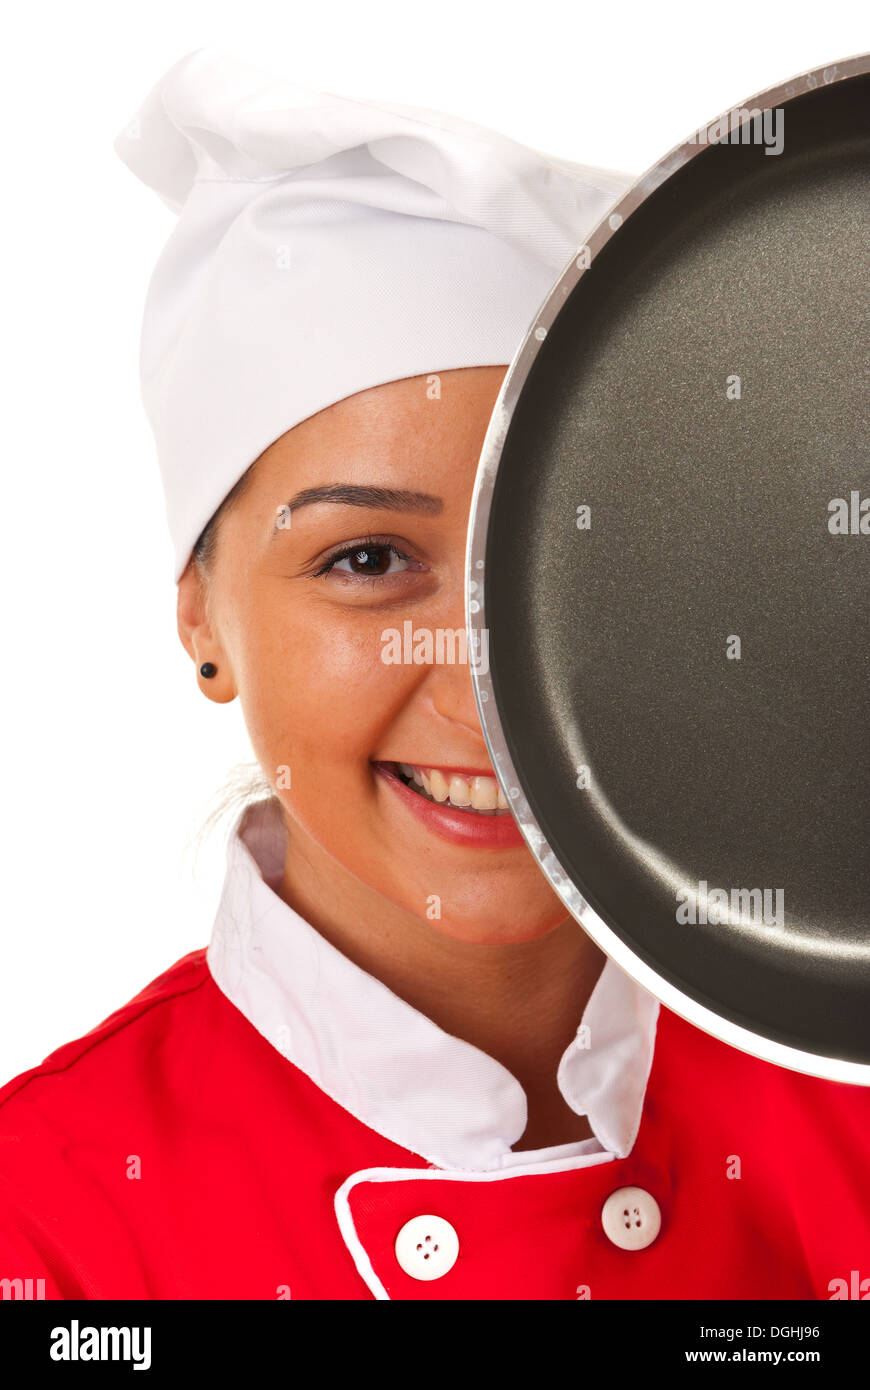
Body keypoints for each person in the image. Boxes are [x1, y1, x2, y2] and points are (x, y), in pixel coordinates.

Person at [0, 46, 867, 1302]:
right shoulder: (48, 1225)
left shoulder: (844, 1088)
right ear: (202, 618)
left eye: (586, 561)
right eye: (366, 558)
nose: (486, 688)